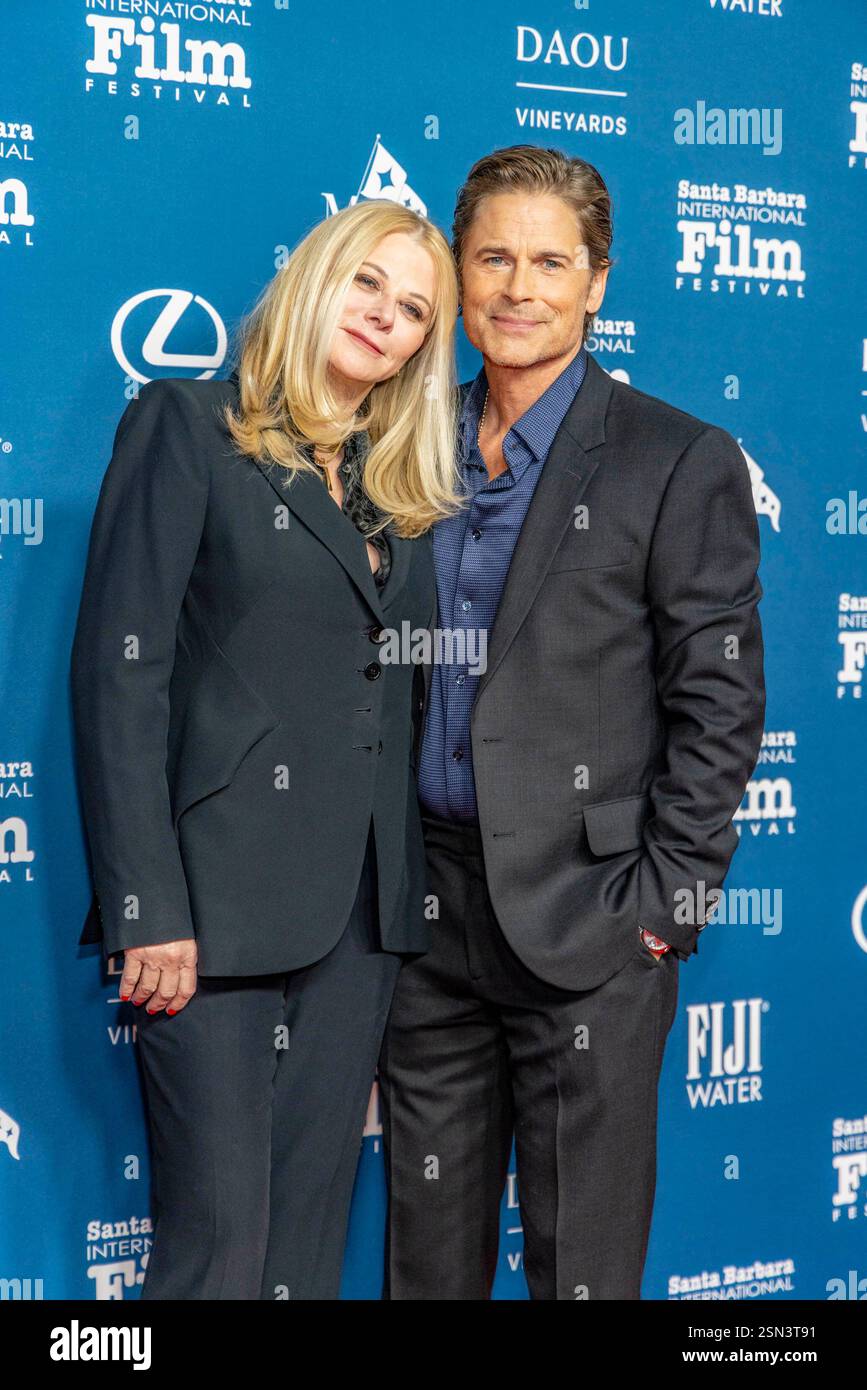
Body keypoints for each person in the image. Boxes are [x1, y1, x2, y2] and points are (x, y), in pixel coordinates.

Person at [377, 145, 766, 1300]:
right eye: (493, 256)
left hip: (590, 928)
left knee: (582, 1274)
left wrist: (663, 911)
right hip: (426, 924)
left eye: (551, 262)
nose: (518, 287)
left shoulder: (676, 457)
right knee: (427, 1268)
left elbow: (722, 700)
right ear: (457, 270)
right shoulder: (406, 441)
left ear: (598, 283)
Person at [71, 199, 462, 1300]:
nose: (387, 319)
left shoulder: (400, 494)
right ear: (317, 282)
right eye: (370, 286)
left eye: (416, 311)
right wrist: (148, 904)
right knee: (219, 1249)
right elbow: (121, 674)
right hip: (210, 909)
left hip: (360, 917)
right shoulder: (189, 423)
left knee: (302, 1252)